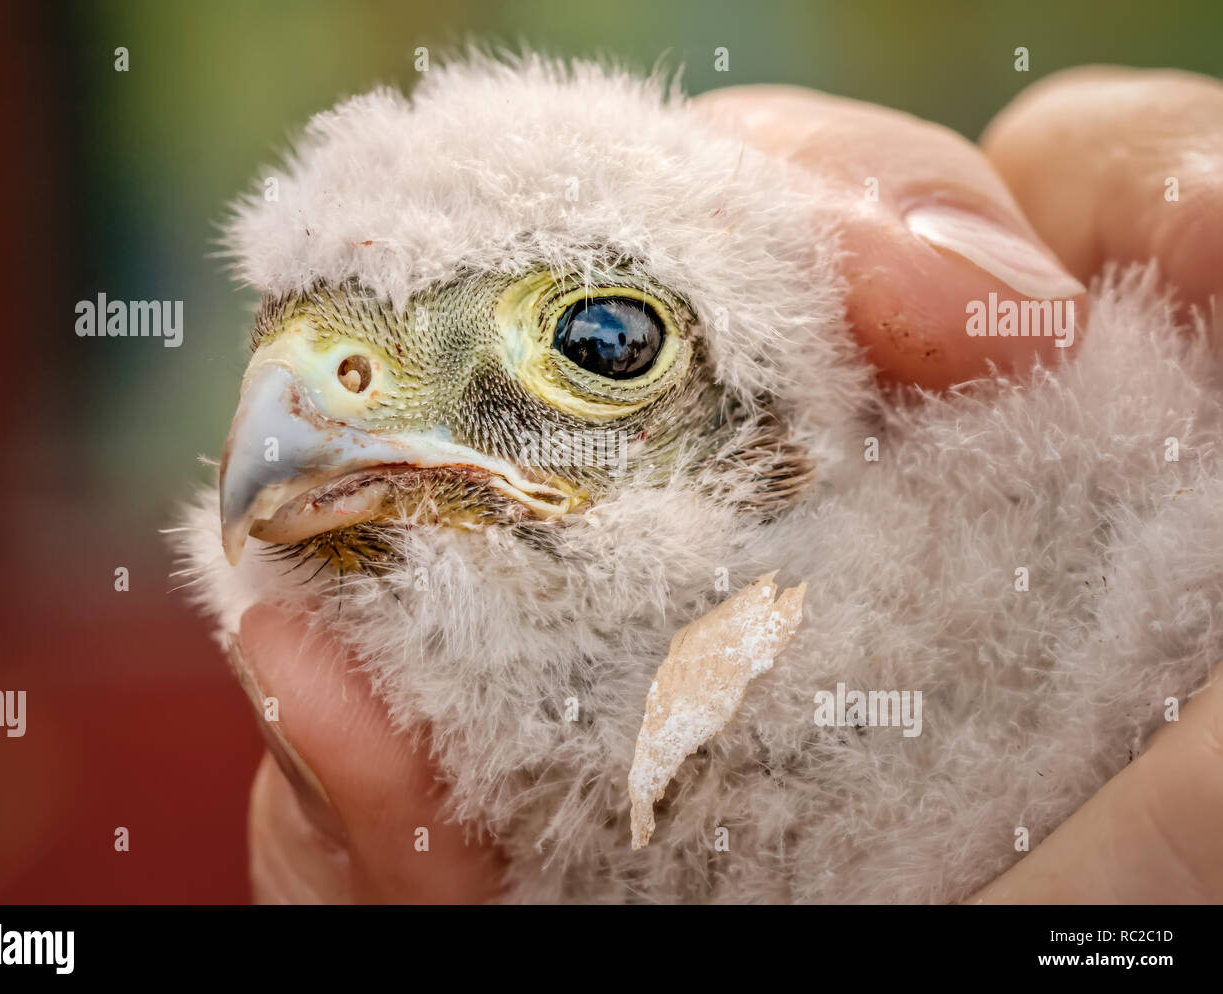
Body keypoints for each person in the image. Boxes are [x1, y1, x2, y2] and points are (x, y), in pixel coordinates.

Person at [229, 66, 1223, 903]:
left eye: (599, 344)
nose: (303, 396)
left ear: (776, 451)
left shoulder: (1140, 550)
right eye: (284, 338)